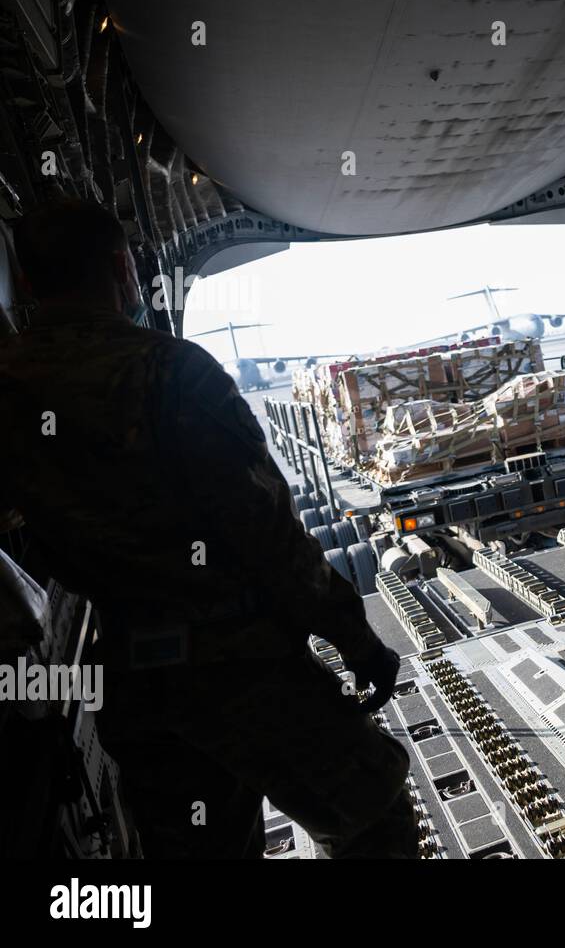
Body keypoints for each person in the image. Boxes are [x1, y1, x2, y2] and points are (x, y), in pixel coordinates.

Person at [0, 199, 419, 858]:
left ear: (25, 283)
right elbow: (269, 534)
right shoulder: (171, 372)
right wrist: (355, 637)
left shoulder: (7, 388)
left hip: (134, 679)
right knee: (373, 819)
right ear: (124, 268)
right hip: (238, 665)